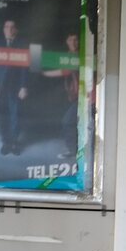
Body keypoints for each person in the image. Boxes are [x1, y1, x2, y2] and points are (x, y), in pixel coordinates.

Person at [0, 19, 28, 155]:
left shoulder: (22, 44)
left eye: (12, 27)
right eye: (6, 27)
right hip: (0, 87)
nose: (9, 30)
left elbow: (25, 68)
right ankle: (6, 142)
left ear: (16, 30)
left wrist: (24, 86)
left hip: (16, 87)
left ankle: (15, 142)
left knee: (15, 115)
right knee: (2, 116)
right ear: (3, 29)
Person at [44, 31, 80, 160]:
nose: (73, 43)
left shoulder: (78, 56)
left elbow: (65, 71)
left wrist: (44, 74)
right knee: (74, 122)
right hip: (74, 95)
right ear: (67, 42)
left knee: (68, 121)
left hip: (85, 97)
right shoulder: (67, 55)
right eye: (70, 40)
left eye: (75, 40)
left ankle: (74, 151)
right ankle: (76, 149)